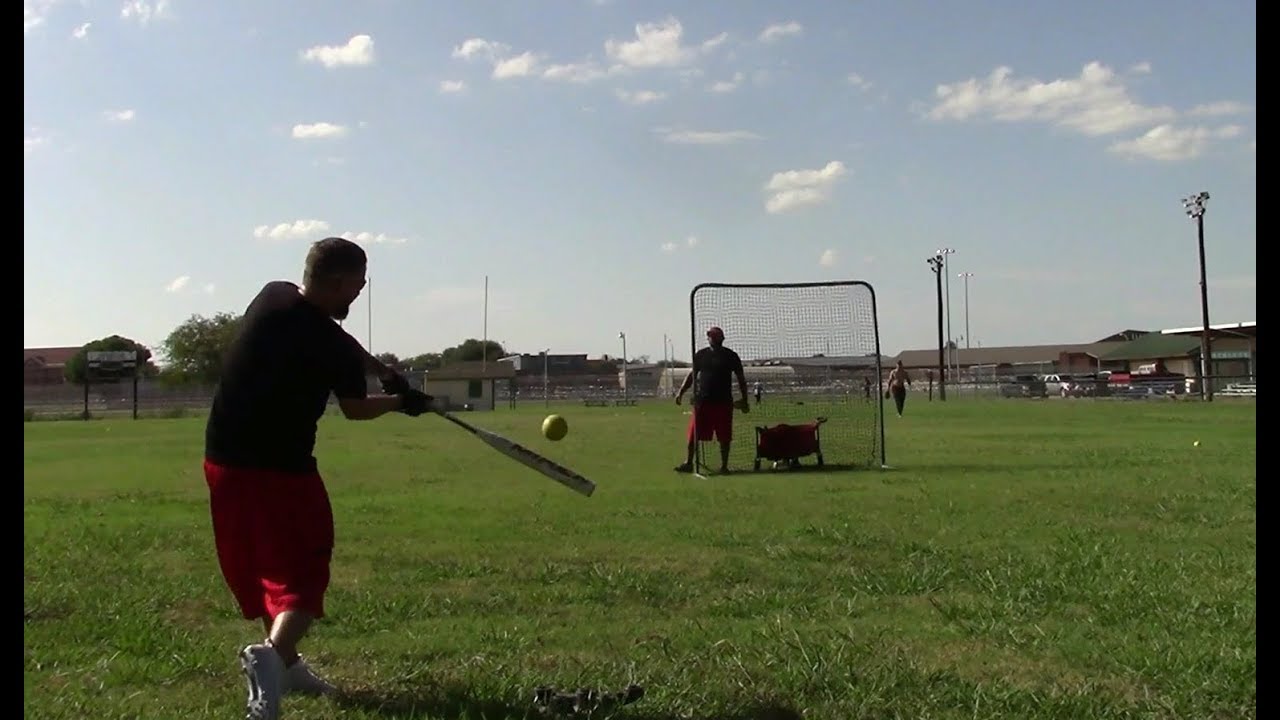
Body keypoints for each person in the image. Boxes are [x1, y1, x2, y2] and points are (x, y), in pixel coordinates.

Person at [202, 236, 433, 720]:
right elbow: (354, 410)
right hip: (280, 471)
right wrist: (403, 402)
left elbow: (332, 336)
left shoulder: (274, 295)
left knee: (265, 566)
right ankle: (268, 658)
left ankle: (286, 664)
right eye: (359, 285)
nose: (360, 293)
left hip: (223, 463)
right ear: (342, 282)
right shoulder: (331, 348)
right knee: (305, 571)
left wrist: (379, 369)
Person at [673, 326, 750, 474]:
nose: (712, 339)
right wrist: (681, 392)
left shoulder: (731, 356)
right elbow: (692, 376)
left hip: (723, 402)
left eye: (715, 336)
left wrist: (745, 399)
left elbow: (741, 379)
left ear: (721, 338)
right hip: (703, 401)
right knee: (693, 433)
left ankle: (724, 466)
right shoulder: (701, 355)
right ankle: (689, 462)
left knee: (724, 436)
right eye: (710, 336)